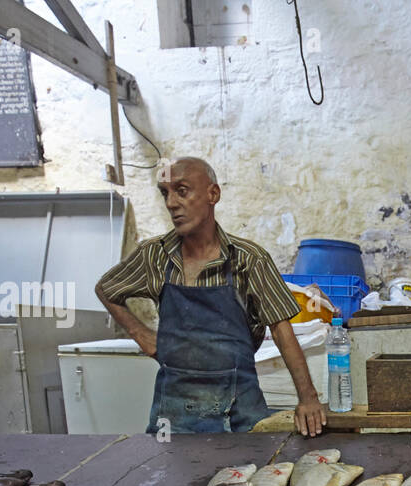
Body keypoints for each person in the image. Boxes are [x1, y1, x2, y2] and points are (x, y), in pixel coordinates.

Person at [95, 157, 327, 436]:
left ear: (212, 194)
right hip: (174, 418)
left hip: (240, 410)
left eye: (182, 190)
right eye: (165, 193)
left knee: (249, 475)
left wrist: (308, 399)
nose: (171, 203)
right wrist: (141, 334)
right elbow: (107, 289)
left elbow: (281, 329)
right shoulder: (153, 255)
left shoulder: (247, 259)